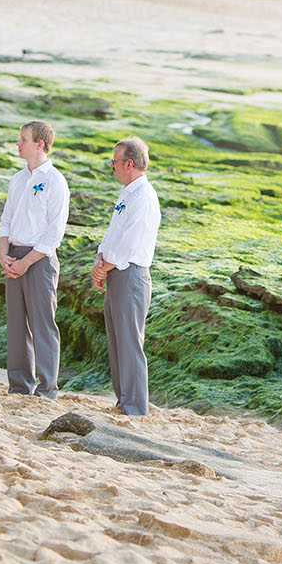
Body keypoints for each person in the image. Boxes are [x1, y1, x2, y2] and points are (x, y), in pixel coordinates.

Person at [0, 120, 69, 399]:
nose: (18, 144)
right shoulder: (17, 179)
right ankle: (19, 386)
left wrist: (25, 262)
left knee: (43, 325)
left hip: (40, 260)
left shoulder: (55, 181)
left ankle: (47, 388)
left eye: (23, 140)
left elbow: (54, 233)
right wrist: (3, 254)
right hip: (14, 255)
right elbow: (6, 219)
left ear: (40, 144)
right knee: (16, 326)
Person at [90, 136, 161, 416]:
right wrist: (99, 258)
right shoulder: (127, 193)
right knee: (116, 341)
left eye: (114, 161)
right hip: (116, 273)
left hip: (131, 275)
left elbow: (130, 243)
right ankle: (123, 400)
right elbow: (113, 234)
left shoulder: (144, 197)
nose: (112, 166)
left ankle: (135, 407)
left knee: (130, 342)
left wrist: (104, 266)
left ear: (129, 163)